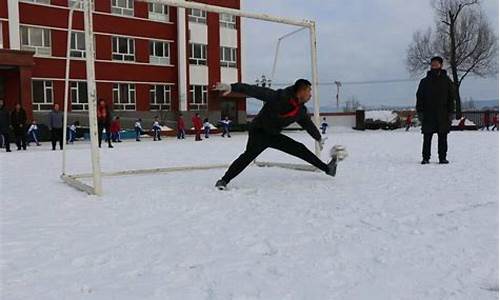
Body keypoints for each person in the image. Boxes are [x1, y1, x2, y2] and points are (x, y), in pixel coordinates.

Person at [213, 79, 338, 190]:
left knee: (300, 149)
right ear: (301, 91)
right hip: (259, 132)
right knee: (247, 157)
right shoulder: (281, 97)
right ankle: (224, 180)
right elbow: (256, 90)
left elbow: (308, 125)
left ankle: (328, 169)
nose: (310, 95)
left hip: (273, 135)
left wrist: (319, 138)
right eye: (309, 91)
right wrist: (232, 87)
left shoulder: (300, 110)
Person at [416, 56, 455, 165]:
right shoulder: (424, 81)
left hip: (443, 114)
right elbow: (419, 97)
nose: (434, 66)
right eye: (432, 64)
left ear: (441, 65)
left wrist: (451, 113)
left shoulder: (447, 81)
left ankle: (442, 157)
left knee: (443, 137)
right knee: (427, 137)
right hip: (428, 114)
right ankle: (425, 157)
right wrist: (420, 112)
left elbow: (451, 98)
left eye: (436, 64)